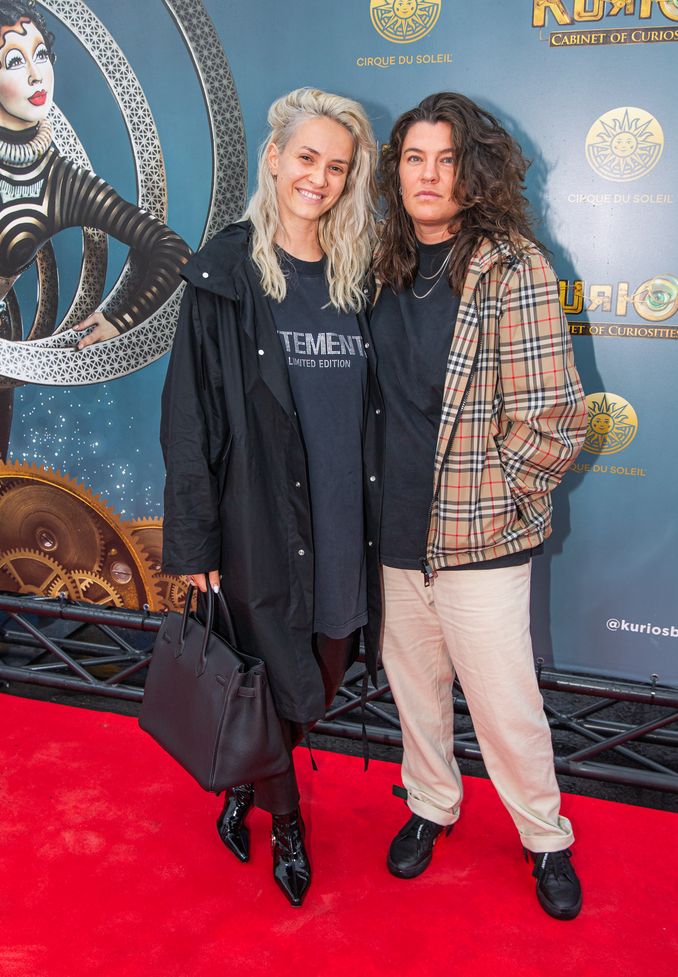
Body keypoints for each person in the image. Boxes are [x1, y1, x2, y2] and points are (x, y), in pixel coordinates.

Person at [160, 88, 382, 907]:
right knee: (271, 669)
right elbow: (189, 417)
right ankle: (287, 822)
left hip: (343, 524)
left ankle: (246, 782)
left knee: (318, 674)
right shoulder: (224, 272)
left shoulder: (361, 272)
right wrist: (194, 544)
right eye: (306, 158)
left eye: (337, 166)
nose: (317, 179)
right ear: (274, 159)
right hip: (258, 520)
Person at [371, 92, 587, 920]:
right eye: (414, 159)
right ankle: (430, 803)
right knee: (416, 693)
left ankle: (545, 837)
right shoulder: (380, 262)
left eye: (447, 159)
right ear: (397, 171)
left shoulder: (512, 265)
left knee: (505, 707)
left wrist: (499, 507)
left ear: (474, 171)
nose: (429, 175)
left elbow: (556, 419)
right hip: (390, 530)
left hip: (480, 537)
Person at [0, 0, 190, 461]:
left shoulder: (64, 182)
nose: (38, 76)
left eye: (41, 54)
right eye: (15, 60)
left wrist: (122, 319)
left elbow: (171, 250)